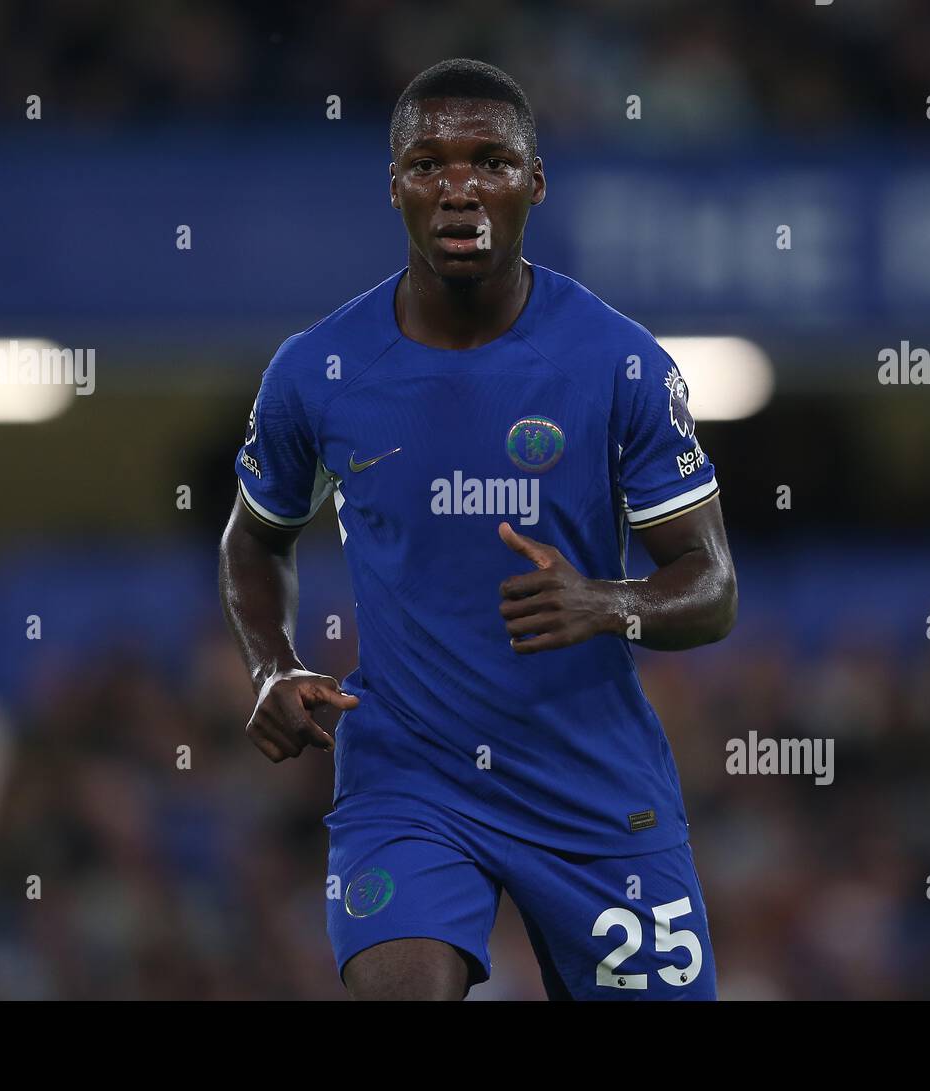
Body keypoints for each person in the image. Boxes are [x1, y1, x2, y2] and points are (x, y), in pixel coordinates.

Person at [219, 58, 737, 1000]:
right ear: (395, 188)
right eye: (429, 164)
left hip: (591, 785)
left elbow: (711, 586)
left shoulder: (617, 363)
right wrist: (271, 664)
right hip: (410, 779)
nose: (459, 187)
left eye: (491, 161)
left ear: (535, 183)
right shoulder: (317, 372)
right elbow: (255, 538)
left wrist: (606, 600)